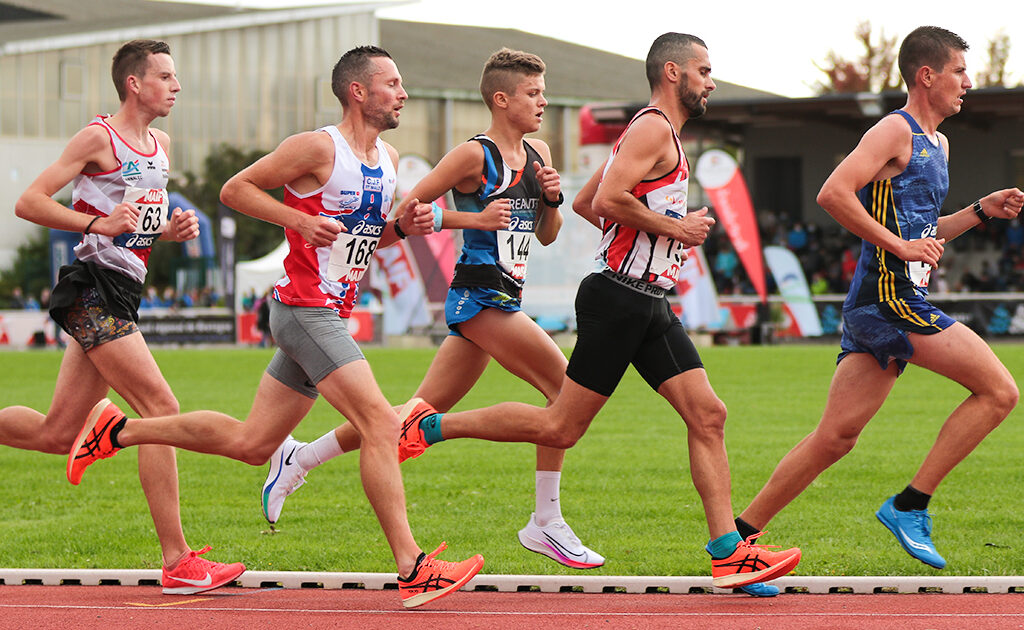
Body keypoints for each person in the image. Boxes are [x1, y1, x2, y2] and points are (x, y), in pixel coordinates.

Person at [65, 46, 484, 609]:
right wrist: (297, 219)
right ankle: (413, 569)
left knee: (251, 443)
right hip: (303, 311)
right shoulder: (316, 147)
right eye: (393, 83)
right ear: (358, 92)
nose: (403, 93)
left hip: (329, 313)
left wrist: (402, 229)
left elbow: (361, 236)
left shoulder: (387, 156)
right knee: (381, 423)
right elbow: (234, 189)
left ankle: (117, 433)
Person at [389, 33, 802, 590]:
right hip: (620, 297)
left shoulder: (662, 137)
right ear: (674, 72)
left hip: (651, 300)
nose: (712, 81)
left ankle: (728, 550)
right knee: (561, 424)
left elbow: (586, 203)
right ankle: (432, 426)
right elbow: (608, 202)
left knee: (709, 414)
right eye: (705, 71)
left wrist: (569, 204)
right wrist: (675, 228)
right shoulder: (653, 126)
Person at [262, 48, 605, 570]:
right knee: (565, 393)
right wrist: (473, 220)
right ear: (502, 98)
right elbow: (411, 209)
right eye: (534, 93)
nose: (543, 102)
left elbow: (547, 237)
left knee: (403, 414)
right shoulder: (475, 155)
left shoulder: (538, 155)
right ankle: (545, 519)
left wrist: (553, 202)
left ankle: (300, 456)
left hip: (508, 294)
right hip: (478, 297)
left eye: (543, 92)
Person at [0, 40, 244, 594]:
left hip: (122, 292)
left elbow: (137, 224)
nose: (176, 86)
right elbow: (29, 202)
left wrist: (167, 233)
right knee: (160, 407)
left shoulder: (161, 145)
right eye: (166, 76)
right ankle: (177, 560)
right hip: (93, 290)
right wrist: (96, 225)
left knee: (58, 431)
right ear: (135, 83)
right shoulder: (98, 137)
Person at [733, 26, 1023, 569]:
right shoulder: (895, 129)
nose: (969, 82)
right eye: (960, 71)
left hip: (882, 300)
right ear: (927, 75)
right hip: (888, 300)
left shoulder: (939, 143)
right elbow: (832, 193)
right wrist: (898, 245)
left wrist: (981, 210)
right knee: (1000, 392)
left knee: (835, 437)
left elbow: (920, 228)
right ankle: (910, 505)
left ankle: (736, 542)